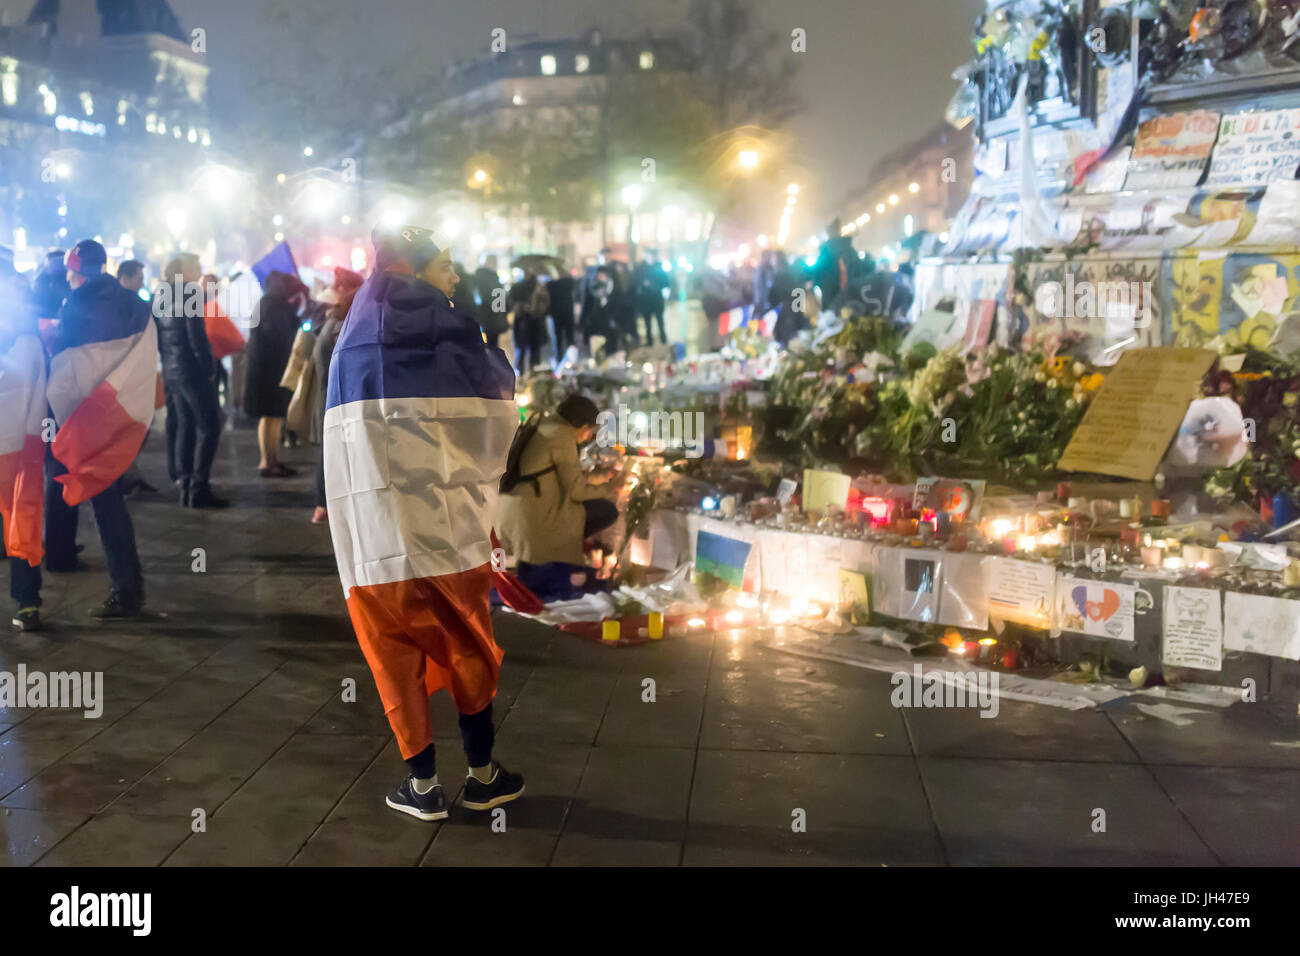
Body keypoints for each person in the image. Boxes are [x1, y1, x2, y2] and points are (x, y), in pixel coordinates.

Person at [324, 223, 523, 821]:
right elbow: (496, 419)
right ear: (413, 268)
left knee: (392, 651)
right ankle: (484, 775)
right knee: (466, 642)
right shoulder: (459, 332)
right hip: (450, 532)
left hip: (376, 534)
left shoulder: (350, 338)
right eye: (446, 264)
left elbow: (334, 438)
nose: (457, 275)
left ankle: (423, 786)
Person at [46, 240, 151, 619]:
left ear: (78, 272)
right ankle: (127, 585)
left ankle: (126, 591)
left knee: (102, 500)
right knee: (110, 500)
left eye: (71, 273)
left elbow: (66, 360)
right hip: (117, 414)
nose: (69, 279)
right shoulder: (132, 302)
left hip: (85, 416)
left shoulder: (76, 307)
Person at [496, 394, 618, 602]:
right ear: (579, 424)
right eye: (590, 430)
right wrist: (610, 489)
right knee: (606, 511)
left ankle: (560, 559)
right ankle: (559, 557)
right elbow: (577, 492)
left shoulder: (546, 425)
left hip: (515, 509)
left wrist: (600, 477)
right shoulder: (562, 437)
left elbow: (562, 476)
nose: (589, 437)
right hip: (534, 515)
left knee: (584, 515)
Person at [154, 253, 228, 508]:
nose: (200, 269)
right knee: (210, 426)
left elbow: (159, 336)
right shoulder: (190, 293)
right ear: (183, 268)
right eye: (196, 266)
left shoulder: (161, 293)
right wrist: (208, 367)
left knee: (185, 424)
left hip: (172, 369)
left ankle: (185, 483)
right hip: (190, 369)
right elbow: (196, 337)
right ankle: (198, 487)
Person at [1, 262, 45, 631]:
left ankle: (28, 599)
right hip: (19, 444)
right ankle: (27, 600)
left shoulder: (28, 341)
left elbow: (38, 395)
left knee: (23, 520)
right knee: (23, 519)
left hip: (19, 445)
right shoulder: (29, 340)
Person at [310, 266, 363, 524]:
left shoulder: (329, 320)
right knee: (333, 453)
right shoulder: (340, 327)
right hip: (336, 399)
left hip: (327, 397)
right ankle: (325, 506)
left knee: (328, 451)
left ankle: (324, 505)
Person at [243, 269, 303, 477]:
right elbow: (277, 333)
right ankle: (266, 461)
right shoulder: (270, 304)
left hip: (271, 367)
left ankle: (272, 458)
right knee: (269, 415)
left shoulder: (273, 303)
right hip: (267, 368)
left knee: (275, 415)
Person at [508, 269, 548, 372]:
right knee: (522, 348)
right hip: (523, 320)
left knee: (533, 348)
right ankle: (521, 373)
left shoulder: (539, 287)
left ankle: (532, 373)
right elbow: (510, 301)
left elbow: (545, 302)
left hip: (534, 320)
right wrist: (521, 307)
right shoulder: (517, 286)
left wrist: (536, 310)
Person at [633, 251, 670, 346]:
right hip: (645, 300)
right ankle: (649, 341)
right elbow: (636, 282)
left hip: (657, 298)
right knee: (647, 322)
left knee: (660, 321)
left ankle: (663, 339)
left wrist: (654, 285)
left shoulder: (658, 267)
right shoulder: (641, 268)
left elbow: (665, 282)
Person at [471, 255, 507, 347]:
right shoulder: (486, 276)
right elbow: (492, 296)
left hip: (492, 315)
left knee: (492, 342)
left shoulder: (491, 275)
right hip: (489, 315)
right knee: (491, 343)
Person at [547, 270, 577, 358]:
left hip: (557, 314)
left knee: (558, 338)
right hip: (567, 312)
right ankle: (571, 359)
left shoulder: (551, 284)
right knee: (569, 337)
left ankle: (559, 357)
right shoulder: (569, 282)